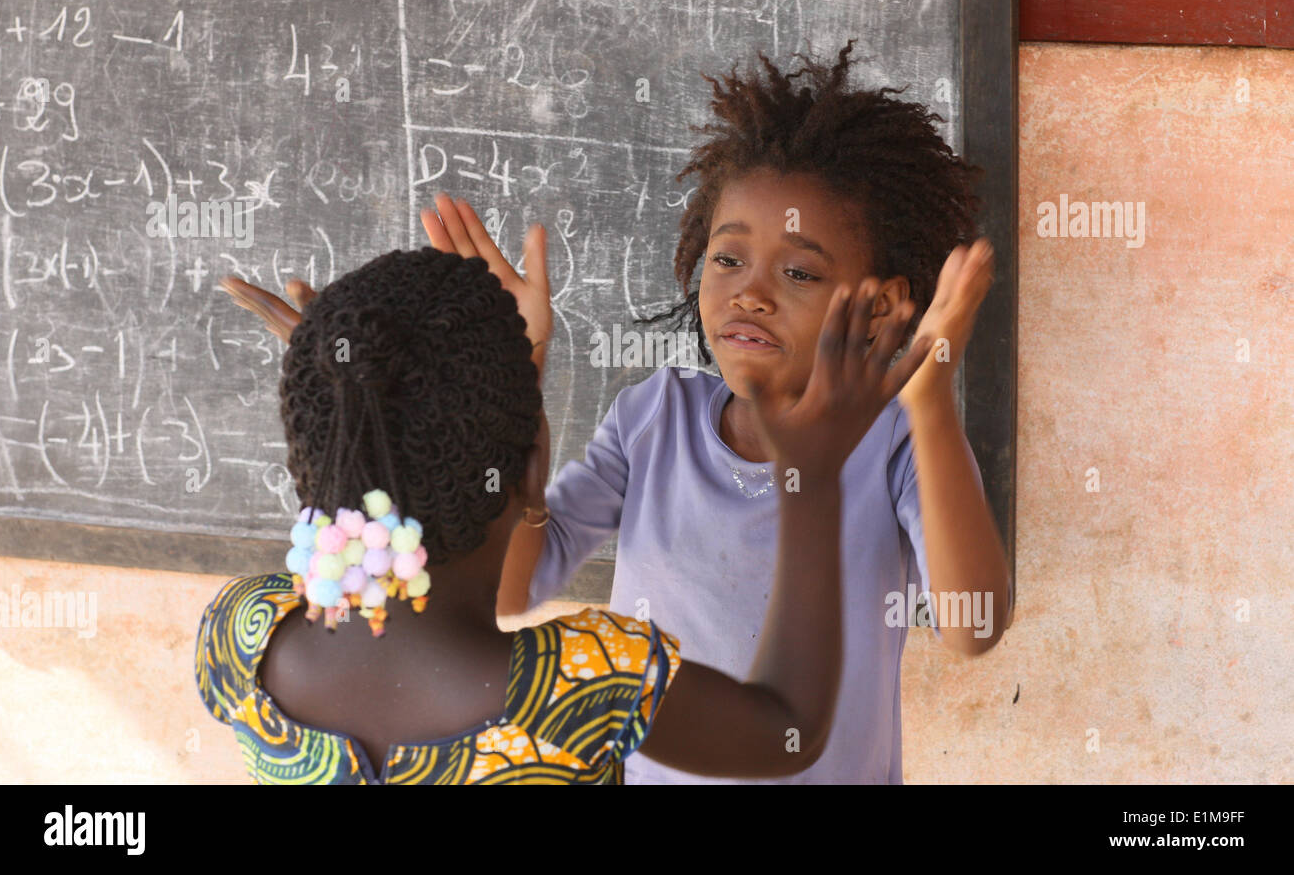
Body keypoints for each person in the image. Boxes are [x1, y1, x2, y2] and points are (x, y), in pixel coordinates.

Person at [222, 39, 1012, 784]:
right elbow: (509, 590)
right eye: (728, 257)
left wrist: (932, 400)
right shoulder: (655, 417)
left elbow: (972, 624)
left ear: (880, 312)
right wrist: (507, 376)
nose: (750, 291)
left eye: (800, 272)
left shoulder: (898, 441)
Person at [199, 244, 929, 784]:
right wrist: (811, 472)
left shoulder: (242, 637)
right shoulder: (583, 685)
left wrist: (358, 414)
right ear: (532, 471)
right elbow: (787, 727)